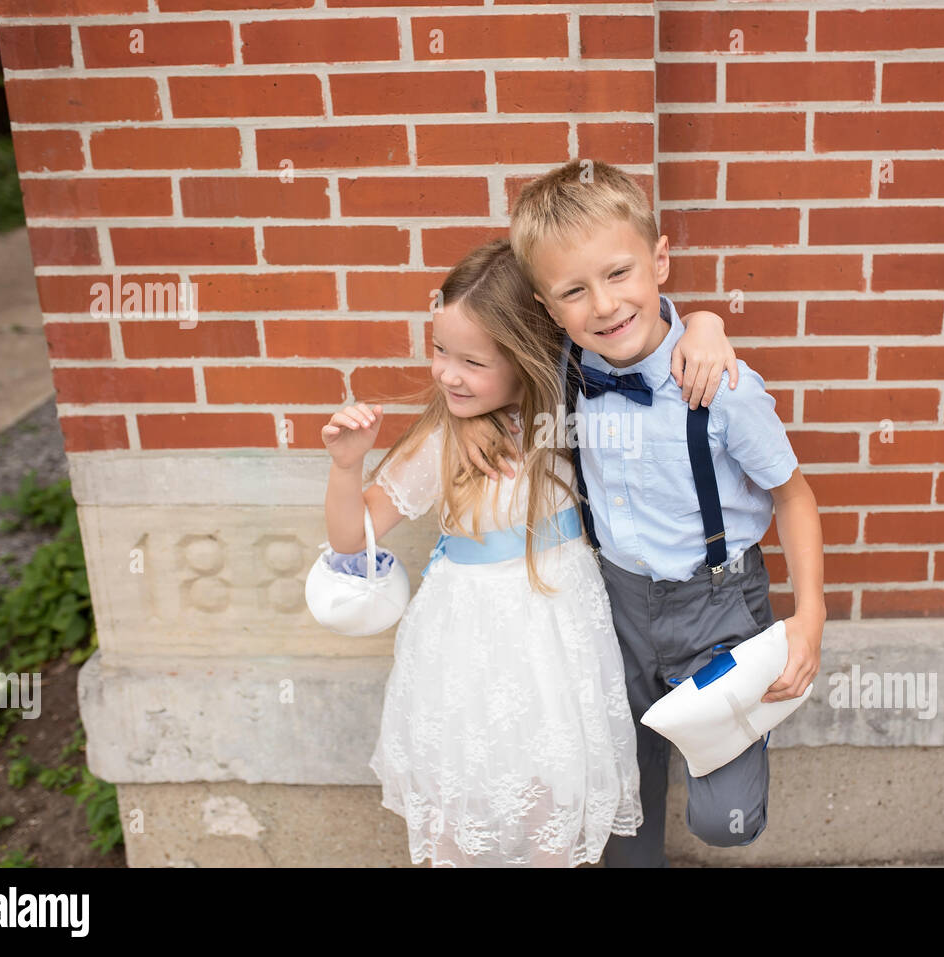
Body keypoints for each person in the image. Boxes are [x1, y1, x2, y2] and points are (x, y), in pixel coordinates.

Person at [319, 238, 740, 867]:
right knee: (471, 794)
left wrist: (706, 324)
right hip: (468, 647)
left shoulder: (574, 408)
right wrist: (346, 468)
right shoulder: (442, 436)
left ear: (525, 357)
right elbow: (352, 540)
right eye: (440, 351)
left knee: (554, 796)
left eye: (472, 361)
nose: (448, 374)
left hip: (562, 643)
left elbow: (645, 337)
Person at [506, 159, 827, 868]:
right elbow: (471, 337)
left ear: (660, 260)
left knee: (728, 821)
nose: (604, 304)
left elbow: (793, 496)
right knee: (626, 791)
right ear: (549, 306)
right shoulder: (564, 366)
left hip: (714, 607)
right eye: (574, 291)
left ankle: (728, 740)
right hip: (613, 602)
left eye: (620, 274)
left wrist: (810, 618)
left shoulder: (721, 386)